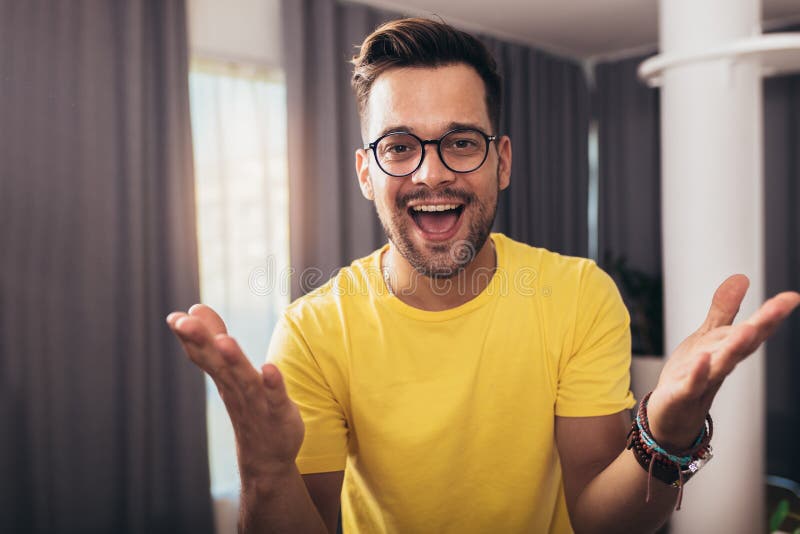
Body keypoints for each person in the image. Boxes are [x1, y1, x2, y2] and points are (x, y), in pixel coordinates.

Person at [166, 17, 800, 534]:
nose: (430, 173)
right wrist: (266, 468)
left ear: (502, 162)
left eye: (461, 142)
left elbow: (601, 521)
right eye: (399, 146)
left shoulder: (578, 296)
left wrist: (668, 428)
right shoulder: (312, 331)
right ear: (366, 173)